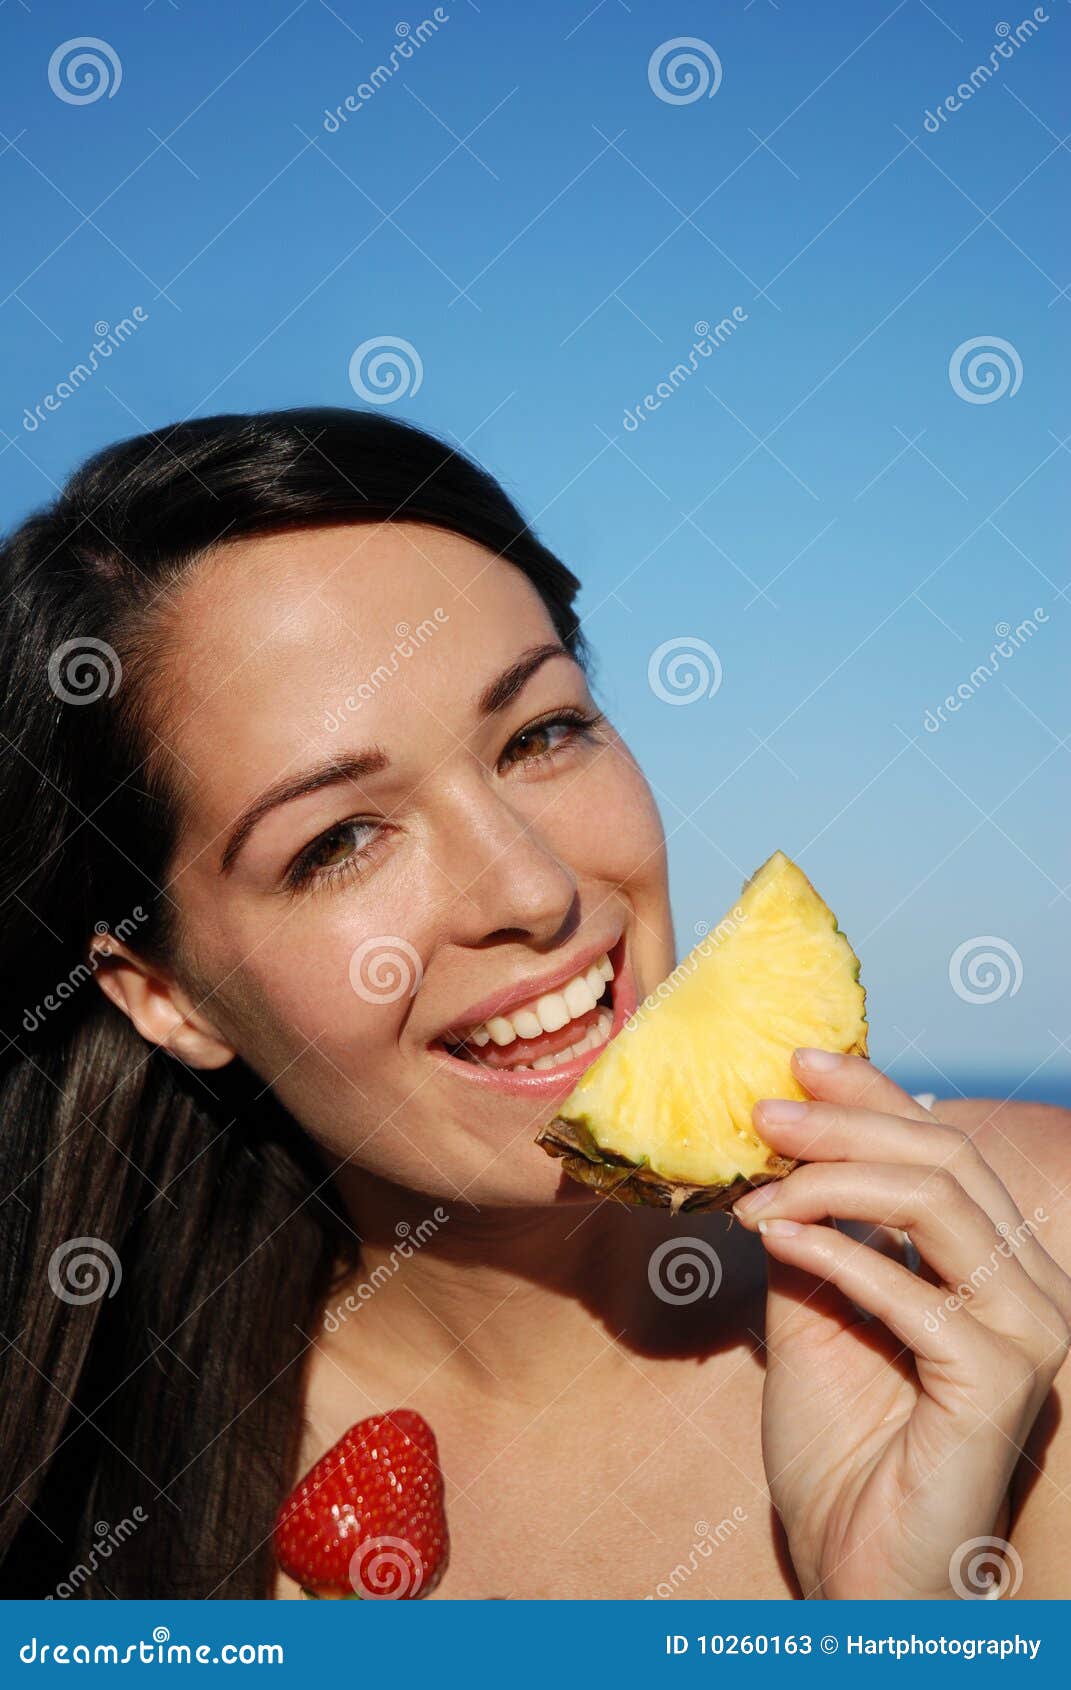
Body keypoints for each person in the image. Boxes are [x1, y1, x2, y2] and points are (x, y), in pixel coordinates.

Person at [1, 408, 1068, 1600]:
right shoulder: (85, 1523)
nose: (533, 887)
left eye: (542, 733)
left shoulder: (1029, 1258)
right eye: (339, 840)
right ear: (165, 996)